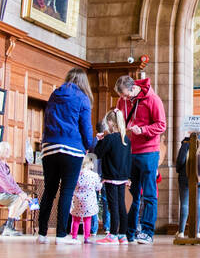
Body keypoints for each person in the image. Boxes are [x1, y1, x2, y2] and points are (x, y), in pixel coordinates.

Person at [36, 68, 95, 243]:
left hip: (49, 147)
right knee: (67, 191)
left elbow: (47, 119)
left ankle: (42, 234)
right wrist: (89, 145)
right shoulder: (83, 98)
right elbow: (86, 128)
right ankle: (61, 235)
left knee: (49, 190)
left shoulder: (55, 94)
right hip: (72, 149)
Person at [115, 74, 167, 244]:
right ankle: (129, 232)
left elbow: (161, 125)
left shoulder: (153, 99)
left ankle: (147, 231)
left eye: (125, 95)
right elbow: (119, 122)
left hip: (148, 151)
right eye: (121, 96)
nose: (123, 99)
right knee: (132, 194)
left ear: (133, 88)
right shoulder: (122, 101)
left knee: (149, 194)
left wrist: (143, 130)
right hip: (130, 151)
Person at [93, 109, 132, 242]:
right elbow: (129, 159)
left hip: (110, 176)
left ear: (110, 122)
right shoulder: (126, 139)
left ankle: (113, 235)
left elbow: (97, 154)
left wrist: (99, 140)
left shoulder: (109, 139)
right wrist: (128, 177)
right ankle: (122, 235)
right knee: (121, 205)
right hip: (122, 177)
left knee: (112, 205)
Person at [0, 140, 30, 236]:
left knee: (26, 201)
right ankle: (8, 228)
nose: (8, 151)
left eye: (9, 149)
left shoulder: (5, 165)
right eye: (5, 149)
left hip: (3, 195)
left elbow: (12, 183)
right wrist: (19, 194)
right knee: (17, 199)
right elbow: (4, 182)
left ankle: (6, 226)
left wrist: (23, 193)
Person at [175, 131, 200, 237]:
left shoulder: (186, 142)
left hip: (186, 176)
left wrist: (178, 170)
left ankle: (181, 232)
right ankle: (197, 232)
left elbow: (181, 160)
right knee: (197, 203)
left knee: (184, 204)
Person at [68, 155, 103, 244]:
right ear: (89, 164)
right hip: (89, 202)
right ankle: (86, 237)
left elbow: (71, 185)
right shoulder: (94, 175)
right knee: (87, 219)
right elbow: (98, 187)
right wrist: (101, 183)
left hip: (77, 200)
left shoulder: (75, 174)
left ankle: (74, 236)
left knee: (75, 219)